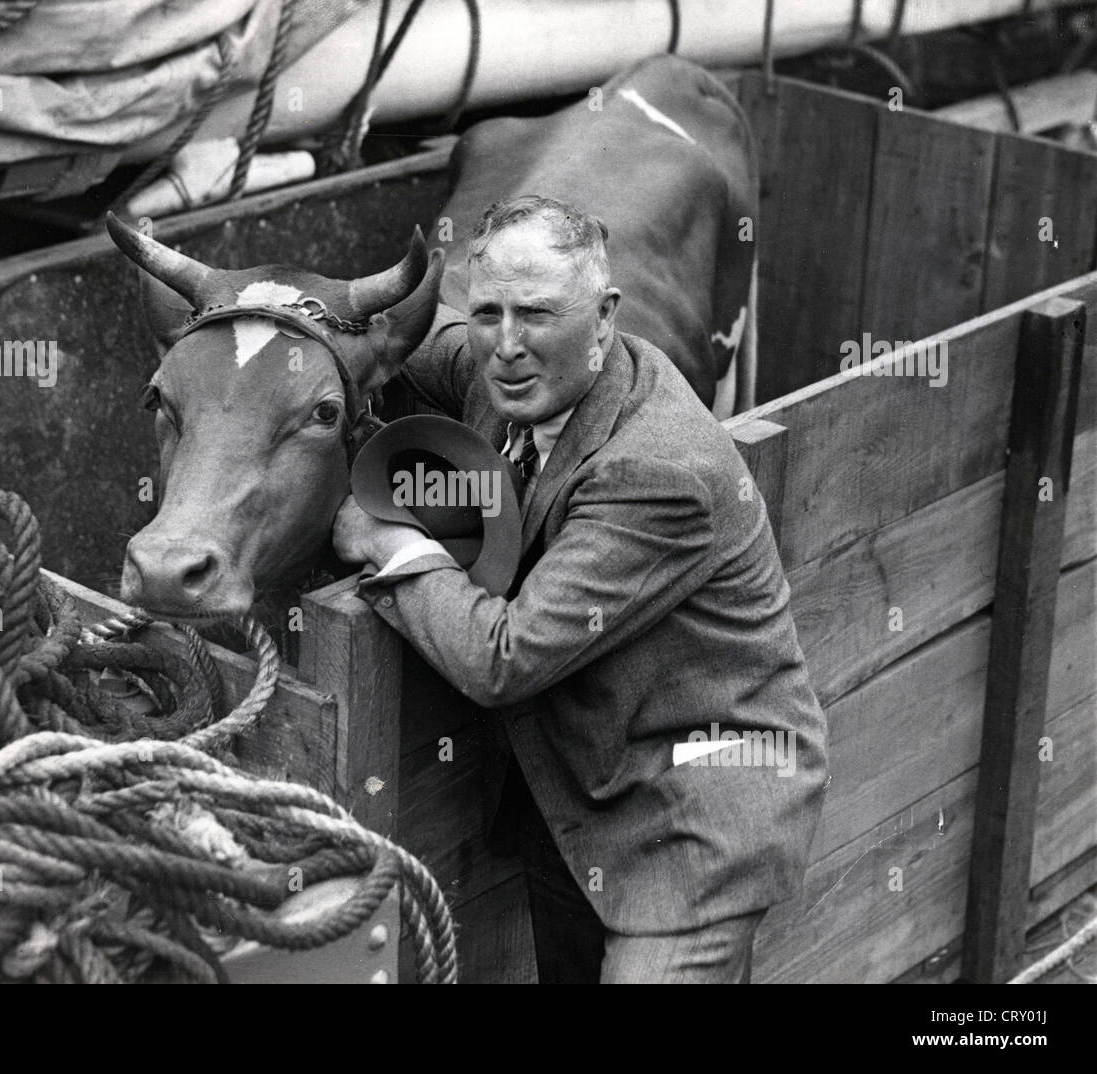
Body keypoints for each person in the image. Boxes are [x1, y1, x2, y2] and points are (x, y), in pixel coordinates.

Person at [331, 194, 828, 984]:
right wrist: (297, 326)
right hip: (573, 795)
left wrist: (391, 540)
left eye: (537, 313)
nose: (506, 346)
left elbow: (505, 658)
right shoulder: (503, 377)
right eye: (488, 311)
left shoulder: (655, 470)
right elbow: (405, 335)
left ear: (604, 317)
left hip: (687, 823)